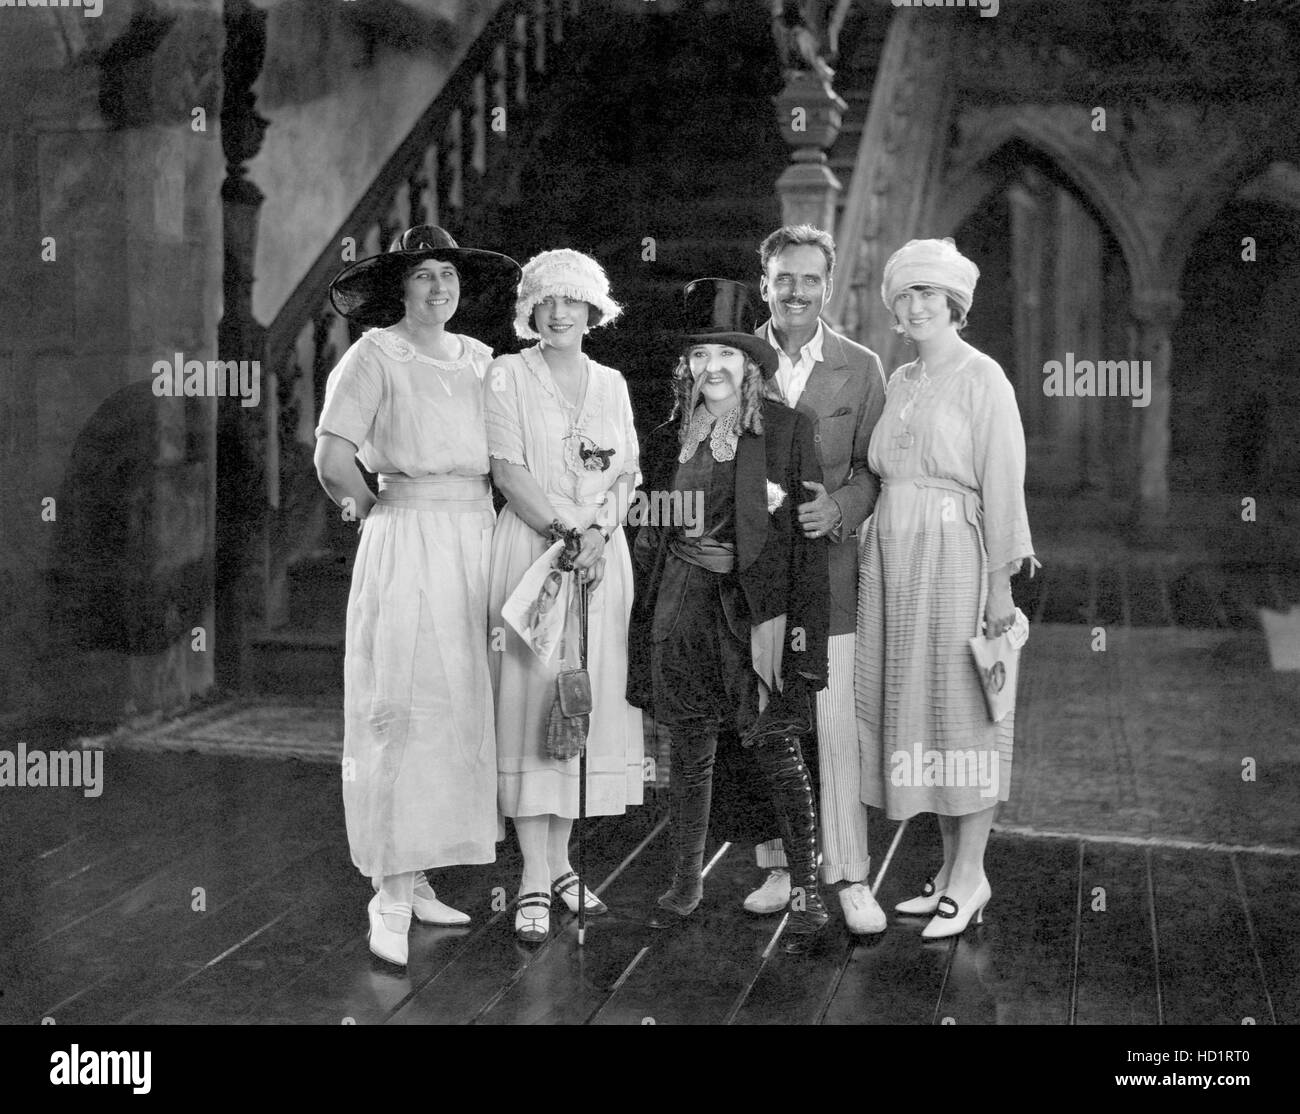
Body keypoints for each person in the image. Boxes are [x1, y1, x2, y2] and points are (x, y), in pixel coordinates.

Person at [314, 225, 521, 967]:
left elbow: (513, 453)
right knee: (399, 702)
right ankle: (389, 891)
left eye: (450, 278)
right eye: (426, 277)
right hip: (406, 533)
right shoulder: (375, 354)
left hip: (477, 533)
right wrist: (375, 514)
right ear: (400, 287)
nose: (439, 290)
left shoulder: (482, 360)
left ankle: (422, 872)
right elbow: (333, 455)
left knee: (459, 702)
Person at [627, 278, 831, 955]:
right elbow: (648, 529)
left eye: (728, 354)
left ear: (750, 364)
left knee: (777, 746)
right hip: (681, 608)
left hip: (754, 616)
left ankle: (806, 892)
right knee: (688, 752)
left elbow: (805, 546)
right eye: (700, 355)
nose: (712, 366)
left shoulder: (785, 432)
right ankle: (685, 882)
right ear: (687, 365)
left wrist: (806, 642)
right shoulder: (670, 436)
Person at [855, 238, 1037, 939]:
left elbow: (1002, 483)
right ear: (896, 311)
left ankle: (971, 875)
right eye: (907, 295)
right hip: (892, 559)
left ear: (955, 304)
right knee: (918, 714)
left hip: (955, 555)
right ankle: (947, 872)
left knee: (967, 716)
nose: (919, 305)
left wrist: (999, 589)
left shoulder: (982, 377)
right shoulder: (900, 381)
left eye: (932, 293)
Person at [483, 249, 644, 945]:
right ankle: (530, 877)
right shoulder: (506, 375)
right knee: (530, 703)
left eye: (572, 300)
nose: (558, 312)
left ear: (592, 309)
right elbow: (507, 469)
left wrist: (601, 534)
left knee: (579, 702)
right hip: (533, 551)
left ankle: (561, 862)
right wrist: (563, 530)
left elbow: (627, 475)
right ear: (530, 309)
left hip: (600, 561)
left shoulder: (611, 382)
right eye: (547, 300)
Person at [745, 222, 889, 935]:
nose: (795, 291)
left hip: (829, 569)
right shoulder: (732, 361)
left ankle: (850, 875)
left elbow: (872, 467)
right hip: (752, 578)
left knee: (835, 726)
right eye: (783, 277)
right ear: (763, 281)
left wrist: (839, 508)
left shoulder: (861, 366)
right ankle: (779, 864)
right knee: (769, 719)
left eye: (809, 278)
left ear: (827, 286)